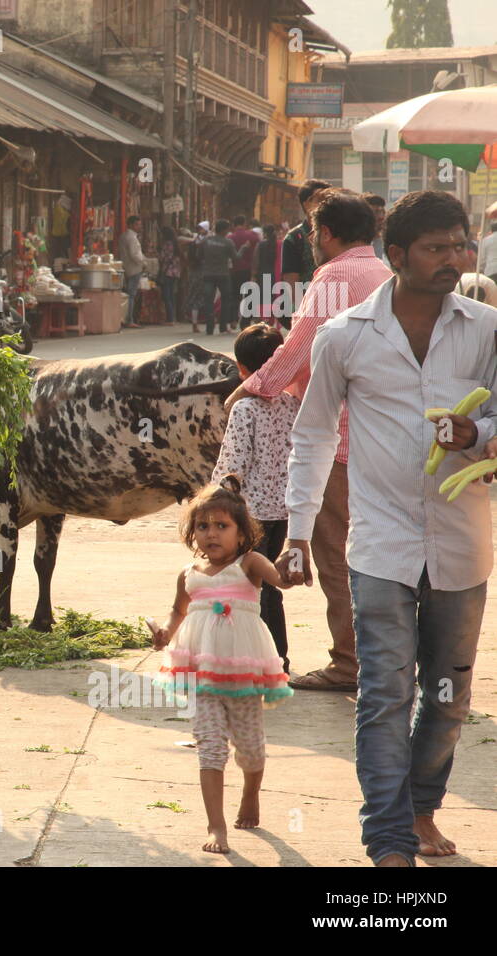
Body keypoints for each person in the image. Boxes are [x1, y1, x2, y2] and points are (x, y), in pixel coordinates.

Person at [282, 190, 495, 866]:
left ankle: (422, 809)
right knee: (383, 694)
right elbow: (312, 436)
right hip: (379, 544)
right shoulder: (345, 336)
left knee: (448, 694)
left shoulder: (488, 329)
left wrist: (479, 431)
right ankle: (389, 842)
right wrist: (295, 530)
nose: (454, 259)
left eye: (460, 246)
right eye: (437, 248)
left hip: (463, 541)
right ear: (397, 256)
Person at [227, 189, 391, 693]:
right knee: (378, 554)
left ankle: (349, 663)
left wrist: (249, 389)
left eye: (313, 232)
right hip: (383, 438)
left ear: (324, 233)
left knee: (337, 557)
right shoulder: (384, 274)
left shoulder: (334, 278)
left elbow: (299, 348)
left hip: (337, 440)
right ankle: (386, 660)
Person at [150, 478, 291, 855]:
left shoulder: (250, 563)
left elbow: (281, 580)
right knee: (210, 747)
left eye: (221, 525)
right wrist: (164, 632)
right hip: (201, 675)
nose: (211, 533)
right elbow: (178, 612)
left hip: (243, 675)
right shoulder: (189, 573)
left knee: (250, 749)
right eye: (203, 525)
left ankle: (250, 794)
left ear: (242, 531)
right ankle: (216, 824)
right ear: (192, 531)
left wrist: (293, 567)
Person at [212, 324, 296, 672]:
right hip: (284, 512)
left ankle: (256, 659)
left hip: (252, 515)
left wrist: (214, 503)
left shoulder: (244, 409)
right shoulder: (292, 403)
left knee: (247, 585)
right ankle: (277, 657)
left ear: (242, 369)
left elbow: (233, 464)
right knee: (268, 584)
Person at [280, 179, 332, 297]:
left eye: (328, 199)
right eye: (320, 199)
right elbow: (291, 285)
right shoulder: (294, 238)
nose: (326, 204)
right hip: (307, 308)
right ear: (306, 204)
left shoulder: (338, 233)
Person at [199, 220, 241, 335]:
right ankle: (223, 326)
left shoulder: (206, 241)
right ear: (223, 230)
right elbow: (236, 257)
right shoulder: (228, 242)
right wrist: (244, 248)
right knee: (226, 300)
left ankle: (209, 327)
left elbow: (199, 255)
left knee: (208, 300)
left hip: (208, 274)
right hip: (223, 274)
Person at [228, 215, 259, 324]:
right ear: (245, 224)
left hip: (234, 270)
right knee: (248, 295)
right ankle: (246, 320)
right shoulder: (252, 236)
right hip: (248, 269)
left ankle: (233, 320)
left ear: (233, 225)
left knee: (234, 295)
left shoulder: (230, 237)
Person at [253, 224, 284, 329]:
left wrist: (253, 275)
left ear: (265, 233)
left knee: (265, 298)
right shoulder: (280, 244)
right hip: (276, 275)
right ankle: (276, 321)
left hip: (263, 274)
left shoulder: (260, 245)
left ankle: (266, 320)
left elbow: (256, 261)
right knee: (274, 298)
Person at [118, 215, 145, 328]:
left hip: (126, 267)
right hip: (134, 268)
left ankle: (126, 318)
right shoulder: (132, 238)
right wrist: (144, 262)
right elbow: (134, 255)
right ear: (131, 225)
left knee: (128, 294)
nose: (140, 226)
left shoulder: (124, 236)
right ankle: (129, 319)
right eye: (137, 224)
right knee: (131, 295)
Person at [156, 226, 181, 325]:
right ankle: (173, 317)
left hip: (167, 272)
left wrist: (158, 255)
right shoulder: (176, 244)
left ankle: (170, 319)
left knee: (167, 295)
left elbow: (164, 258)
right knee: (171, 295)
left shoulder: (167, 244)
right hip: (175, 272)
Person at [364, 193, 389, 267]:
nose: (381, 217)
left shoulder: (389, 244)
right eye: (376, 212)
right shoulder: (354, 246)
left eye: (383, 212)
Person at [477, 219, 497, 283]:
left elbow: (482, 258)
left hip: (490, 271)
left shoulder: (486, 240)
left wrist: (480, 269)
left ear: (491, 230)